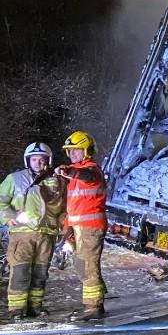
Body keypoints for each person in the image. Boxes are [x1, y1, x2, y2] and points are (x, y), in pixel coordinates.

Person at [0, 143, 64, 320]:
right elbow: (1, 201)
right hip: (22, 234)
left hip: (46, 234)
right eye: (34, 159)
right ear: (28, 160)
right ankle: (16, 310)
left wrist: (62, 227)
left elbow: (63, 207)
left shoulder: (57, 181)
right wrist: (8, 217)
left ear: (48, 161)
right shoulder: (14, 179)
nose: (38, 163)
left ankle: (35, 308)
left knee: (40, 274)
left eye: (41, 159)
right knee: (20, 271)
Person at [54, 131, 108, 321]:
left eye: (76, 150)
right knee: (81, 265)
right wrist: (67, 228)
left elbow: (87, 175)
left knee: (88, 265)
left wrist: (69, 172)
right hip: (79, 227)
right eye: (69, 151)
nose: (72, 154)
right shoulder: (73, 175)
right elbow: (74, 206)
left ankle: (93, 307)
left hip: (90, 228)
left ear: (86, 151)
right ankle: (96, 300)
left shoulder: (92, 170)